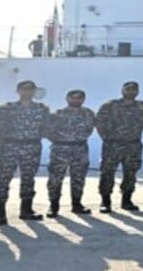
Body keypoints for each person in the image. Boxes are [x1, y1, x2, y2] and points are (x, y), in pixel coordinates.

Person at [0, 80, 50, 224]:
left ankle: (26, 210)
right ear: (18, 91)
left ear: (34, 91)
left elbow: (47, 128)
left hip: (32, 147)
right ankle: (0, 213)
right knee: (2, 179)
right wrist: (4, 143)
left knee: (28, 178)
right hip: (10, 146)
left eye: (30, 89)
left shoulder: (42, 109)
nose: (27, 91)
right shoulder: (6, 109)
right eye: (24, 89)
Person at [97, 81, 143, 213]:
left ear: (137, 91)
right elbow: (100, 123)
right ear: (122, 90)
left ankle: (127, 200)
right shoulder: (110, 105)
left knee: (131, 173)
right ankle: (105, 202)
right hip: (112, 145)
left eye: (133, 90)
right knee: (107, 173)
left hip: (133, 145)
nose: (131, 92)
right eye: (128, 89)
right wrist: (107, 138)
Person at [46, 89, 96, 218]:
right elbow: (47, 131)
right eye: (73, 97)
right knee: (55, 178)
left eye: (79, 98)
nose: (76, 100)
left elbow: (91, 128)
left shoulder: (88, 113)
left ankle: (77, 204)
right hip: (60, 149)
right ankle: (53, 206)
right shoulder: (58, 114)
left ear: (83, 99)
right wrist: (60, 141)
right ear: (67, 99)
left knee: (78, 178)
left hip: (80, 148)